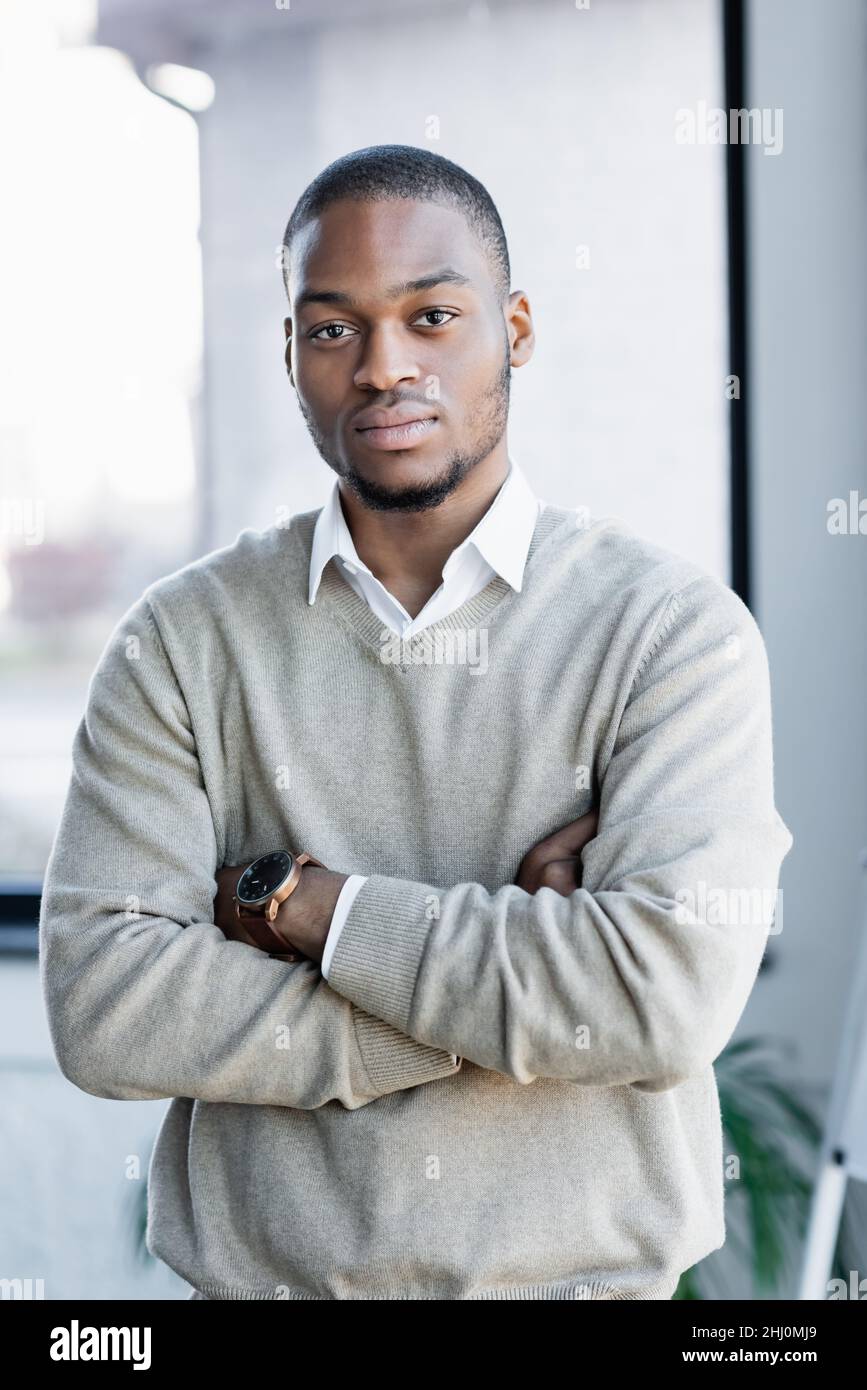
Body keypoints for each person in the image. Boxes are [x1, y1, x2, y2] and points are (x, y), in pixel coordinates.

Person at [39, 144, 793, 1301]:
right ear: (290, 355)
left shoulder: (672, 633)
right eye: (333, 328)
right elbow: (108, 1008)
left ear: (517, 328)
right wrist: (508, 992)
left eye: (432, 315)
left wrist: (313, 908)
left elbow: (658, 1001)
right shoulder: (180, 640)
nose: (386, 366)